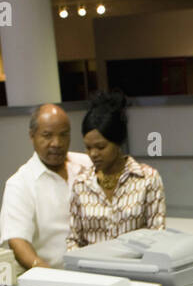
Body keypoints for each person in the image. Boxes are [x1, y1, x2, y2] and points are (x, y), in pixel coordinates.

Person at [67, 91, 166, 247]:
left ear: (118, 142)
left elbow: (158, 237)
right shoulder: (81, 183)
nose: (93, 154)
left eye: (101, 147)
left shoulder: (147, 179)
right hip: (90, 268)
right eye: (88, 147)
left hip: (135, 268)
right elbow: (73, 240)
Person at [0, 104, 87, 269]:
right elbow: (18, 241)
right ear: (32, 136)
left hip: (101, 270)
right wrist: (50, 276)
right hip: (55, 278)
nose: (57, 143)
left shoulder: (86, 164)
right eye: (47, 135)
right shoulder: (20, 184)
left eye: (64, 135)